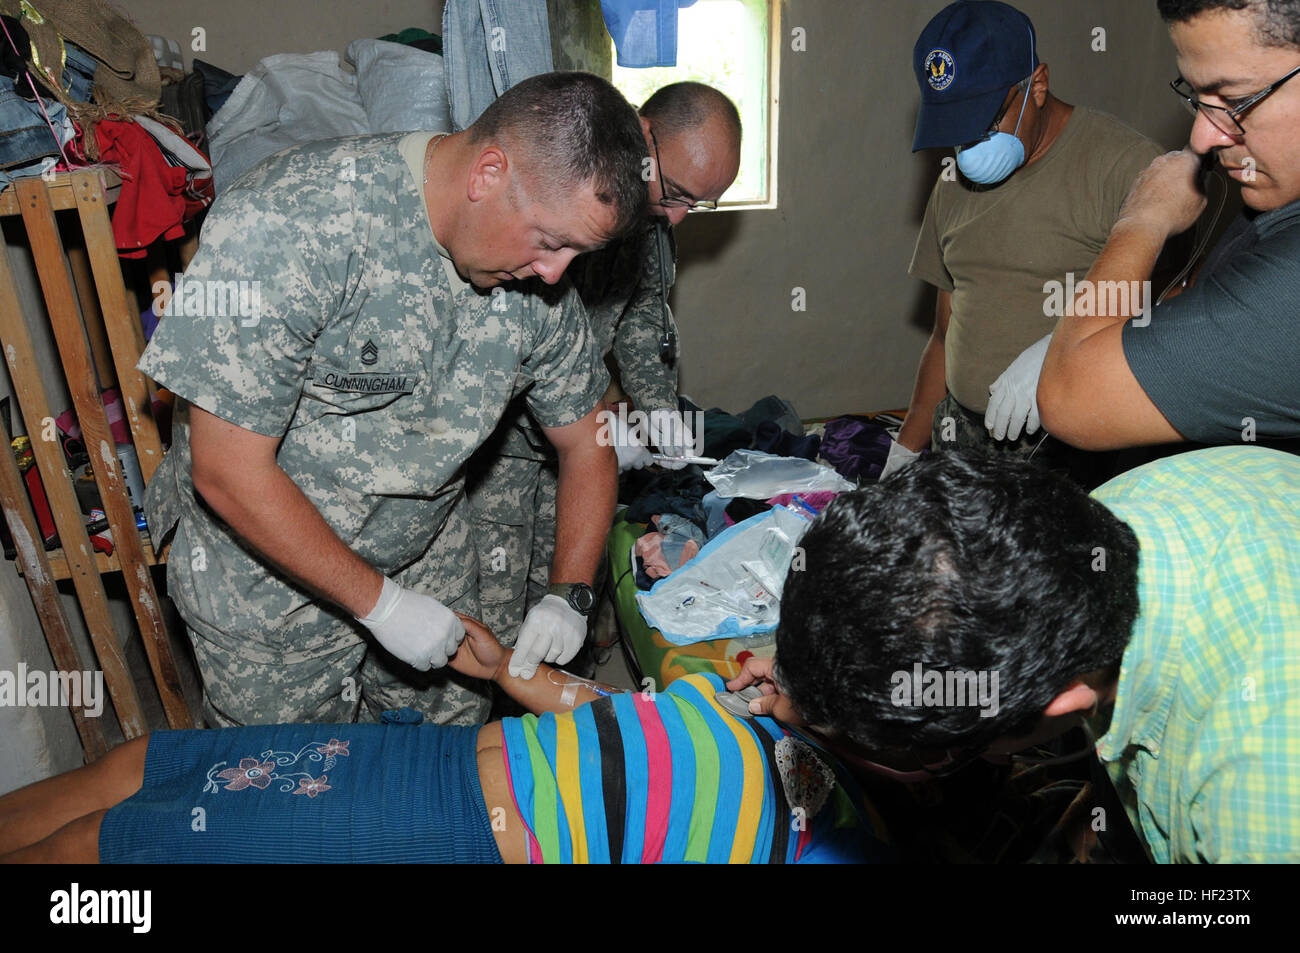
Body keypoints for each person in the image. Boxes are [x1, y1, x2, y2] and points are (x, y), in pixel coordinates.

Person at [137, 72, 647, 728]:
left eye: (576, 252)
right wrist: (380, 605)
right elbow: (226, 469)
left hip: (423, 547)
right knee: (297, 779)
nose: (555, 273)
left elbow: (587, 440)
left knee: (447, 764)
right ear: (488, 173)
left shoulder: (537, 286)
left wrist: (569, 593)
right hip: (265, 581)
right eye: (551, 242)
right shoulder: (291, 220)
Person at [758, 447, 1300, 863]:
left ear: (1064, 701)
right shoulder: (1084, 525)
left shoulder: (1255, 819)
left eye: (947, 752)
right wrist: (815, 684)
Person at [0, 617, 887, 864]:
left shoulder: (810, 835)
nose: (759, 660)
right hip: (430, 760)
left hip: (440, 835)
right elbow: (611, 714)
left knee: (112, 847)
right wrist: (506, 668)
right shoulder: (749, 706)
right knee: (140, 765)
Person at [465, 82, 742, 671]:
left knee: (566, 595)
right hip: (503, 443)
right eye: (677, 193)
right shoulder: (561, 190)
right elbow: (497, 334)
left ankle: (567, 707)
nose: (677, 216)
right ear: (643, 135)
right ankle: (498, 717)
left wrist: (658, 409)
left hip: (579, 447)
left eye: (699, 205)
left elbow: (640, 316)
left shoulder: (650, 222)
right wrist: (593, 419)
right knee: (494, 608)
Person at [884, 0, 1163, 484]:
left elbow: (1179, 307)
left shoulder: (1126, 168)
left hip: (1066, 451)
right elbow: (945, 333)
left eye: (984, 122)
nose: (970, 148)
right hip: (962, 440)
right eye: (956, 130)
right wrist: (904, 454)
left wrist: (1063, 348)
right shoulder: (952, 182)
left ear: (1037, 85)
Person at [1031, 0, 1300, 449]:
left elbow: (1067, 397)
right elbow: (1220, 297)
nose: (1202, 137)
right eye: (1197, 96)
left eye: (1236, 100)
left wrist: (1143, 220)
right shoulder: (1278, 195)